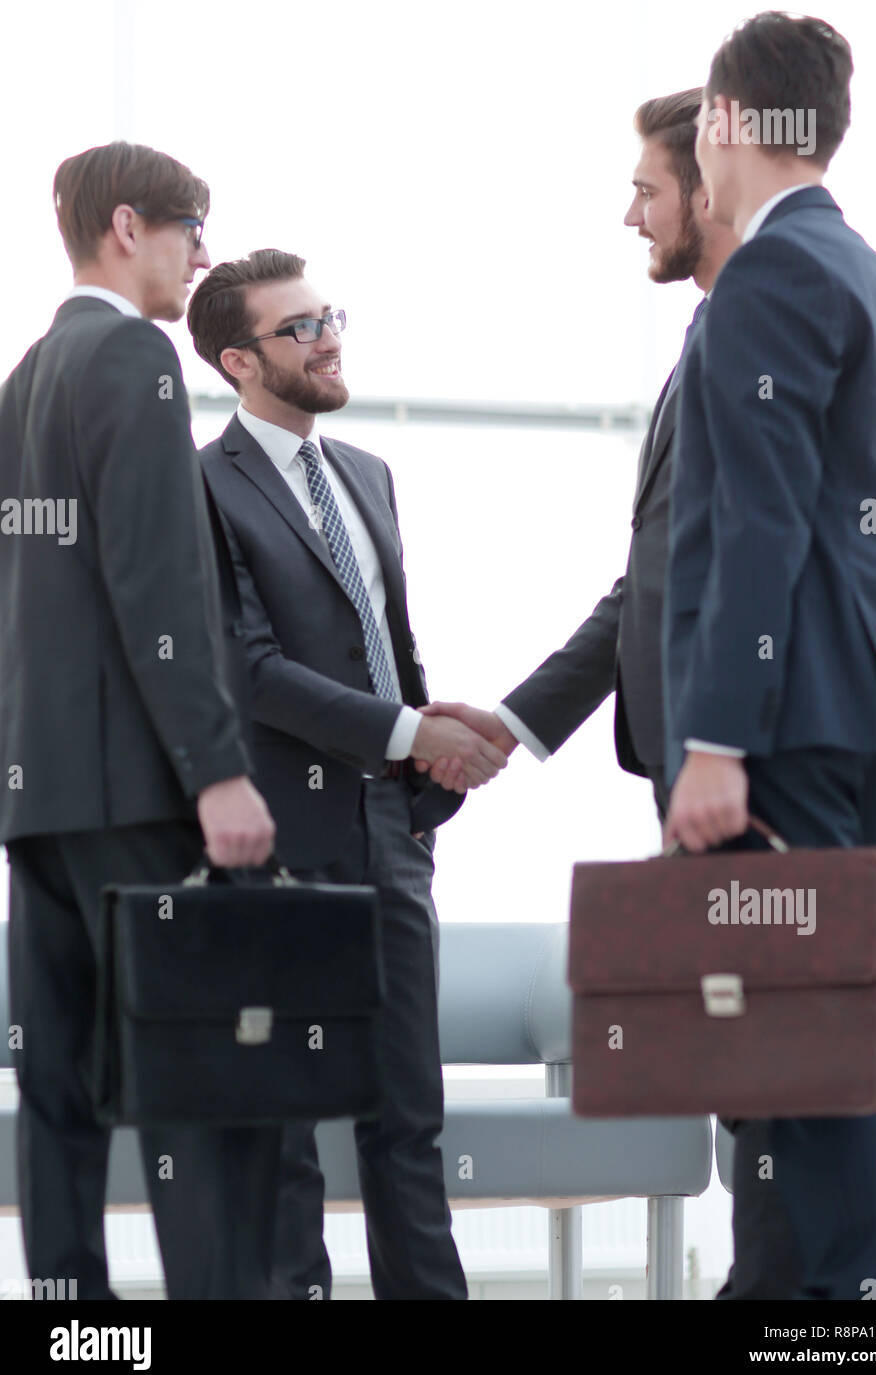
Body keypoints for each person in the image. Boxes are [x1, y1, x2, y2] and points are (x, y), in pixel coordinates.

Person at [664, 11, 876, 1299]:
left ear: (724, 122)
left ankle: (869, 1299)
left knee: (809, 1052)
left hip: (795, 723)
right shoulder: (863, 268)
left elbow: (760, 529)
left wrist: (717, 740)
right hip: (867, 707)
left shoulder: (773, 277)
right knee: (809, 1040)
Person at [187, 250, 506, 1299]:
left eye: (329, 316)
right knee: (283, 1126)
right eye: (298, 328)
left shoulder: (367, 475)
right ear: (239, 360)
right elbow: (253, 672)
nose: (327, 338)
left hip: (386, 830)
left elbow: (388, 648)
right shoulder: (199, 483)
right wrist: (414, 731)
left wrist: (420, 786)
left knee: (408, 1117)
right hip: (276, 844)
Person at [0, 142, 282, 1299]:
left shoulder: (26, 376)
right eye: (190, 231)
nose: (200, 258)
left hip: (42, 799)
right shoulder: (135, 358)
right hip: (135, 793)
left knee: (58, 1094)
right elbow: (153, 582)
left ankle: (77, 1327)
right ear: (128, 227)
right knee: (198, 1091)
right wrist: (216, 770)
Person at [418, 90, 738, 818]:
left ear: (709, 190)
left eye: (647, 192)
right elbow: (657, 574)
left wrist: (725, 748)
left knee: (773, 932)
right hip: (700, 755)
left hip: (745, 759)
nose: (632, 218)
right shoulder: (710, 332)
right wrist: (512, 722)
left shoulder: (760, 332)